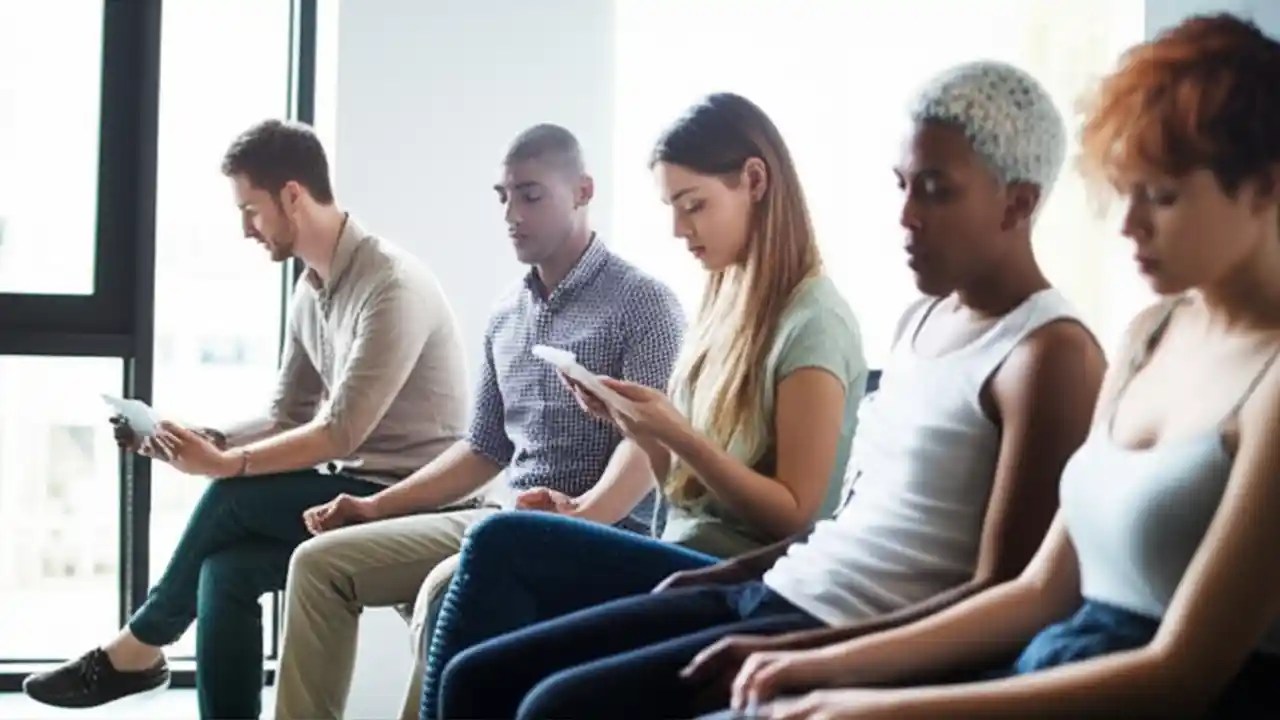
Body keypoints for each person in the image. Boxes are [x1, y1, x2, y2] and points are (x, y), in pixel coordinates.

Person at [428, 65, 1109, 720]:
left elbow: (1003, 594)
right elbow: (842, 527)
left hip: (834, 619)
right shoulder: (919, 322)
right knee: (477, 677)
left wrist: (801, 653)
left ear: (1017, 202)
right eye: (902, 185)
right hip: (780, 584)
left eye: (935, 189)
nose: (906, 215)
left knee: (550, 700)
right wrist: (715, 579)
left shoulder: (1051, 356)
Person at [716, 14, 1280, 720]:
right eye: (1124, 190)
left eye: (1161, 197)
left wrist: (882, 710)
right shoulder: (1148, 334)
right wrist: (817, 665)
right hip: (1042, 665)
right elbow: (1040, 591)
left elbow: (1181, 673)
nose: (1130, 225)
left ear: (1262, 187)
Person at [21, 119, 470, 719]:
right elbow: (289, 414)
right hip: (347, 488)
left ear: (292, 195)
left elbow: (342, 431)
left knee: (229, 500)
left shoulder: (390, 285)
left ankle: (137, 647)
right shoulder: (311, 291)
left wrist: (229, 463)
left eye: (251, 210)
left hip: (411, 499)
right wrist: (199, 439)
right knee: (223, 571)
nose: (245, 230)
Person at [270, 123, 686, 720]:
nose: (513, 213)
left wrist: (582, 511)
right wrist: (373, 508)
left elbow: (647, 445)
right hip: (501, 518)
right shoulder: (505, 317)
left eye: (532, 194)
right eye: (504, 196)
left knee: (445, 586)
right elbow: (483, 449)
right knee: (318, 562)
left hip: (606, 532)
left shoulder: (644, 304)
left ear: (583, 190)